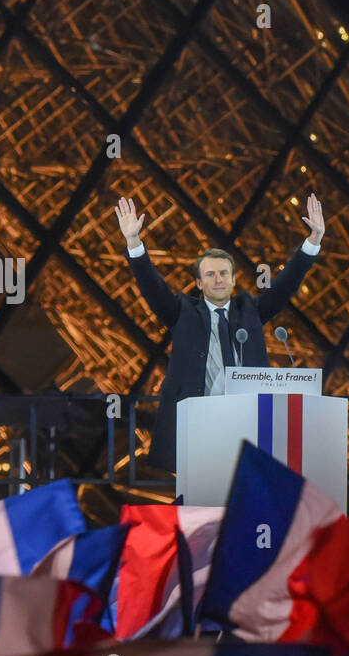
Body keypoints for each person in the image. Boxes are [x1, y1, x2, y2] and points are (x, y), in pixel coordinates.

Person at [113, 194, 326, 473]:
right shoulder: (182, 312)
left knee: (246, 498)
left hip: (248, 423)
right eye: (210, 275)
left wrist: (314, 240)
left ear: (234, 280)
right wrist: (133, 243)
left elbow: (285, 286)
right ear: (199, 283)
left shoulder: (250, 309)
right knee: (203, 500)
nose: (218, 279)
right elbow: (152, 287)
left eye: (224, 273)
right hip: (197, 423)